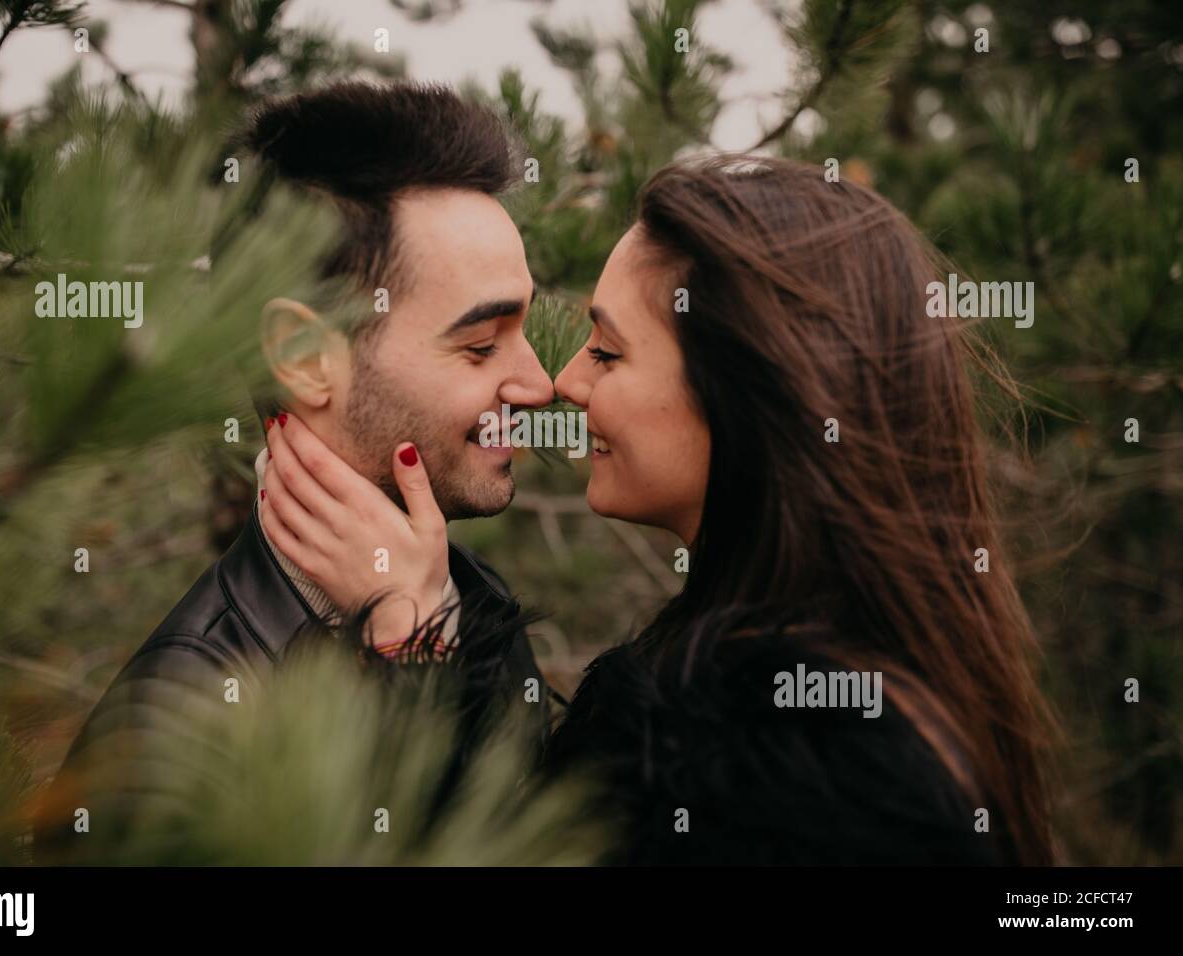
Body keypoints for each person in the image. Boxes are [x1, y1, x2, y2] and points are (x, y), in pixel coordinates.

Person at [261, 155, 1058, 865]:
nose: (562, 383)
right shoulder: (868, 676)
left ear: (748, 397)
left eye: (607, 352)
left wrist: (414, 647)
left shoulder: (767, 754)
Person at [33, 80, 559, 861]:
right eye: (481, 345)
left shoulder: (467, 598)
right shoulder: (176, 730)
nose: (538, 383)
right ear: (305, 355)